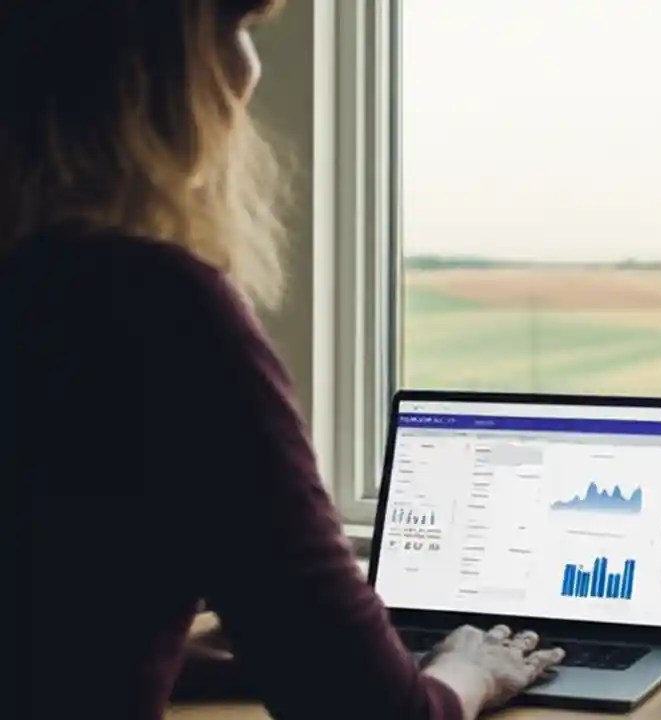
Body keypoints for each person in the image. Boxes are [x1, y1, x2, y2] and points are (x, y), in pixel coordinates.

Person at [0, 1, 562, 718]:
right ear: (139, 67)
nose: (250, 71)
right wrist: (471, 669)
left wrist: (184, 660)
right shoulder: (150, 305)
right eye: (237, 28)